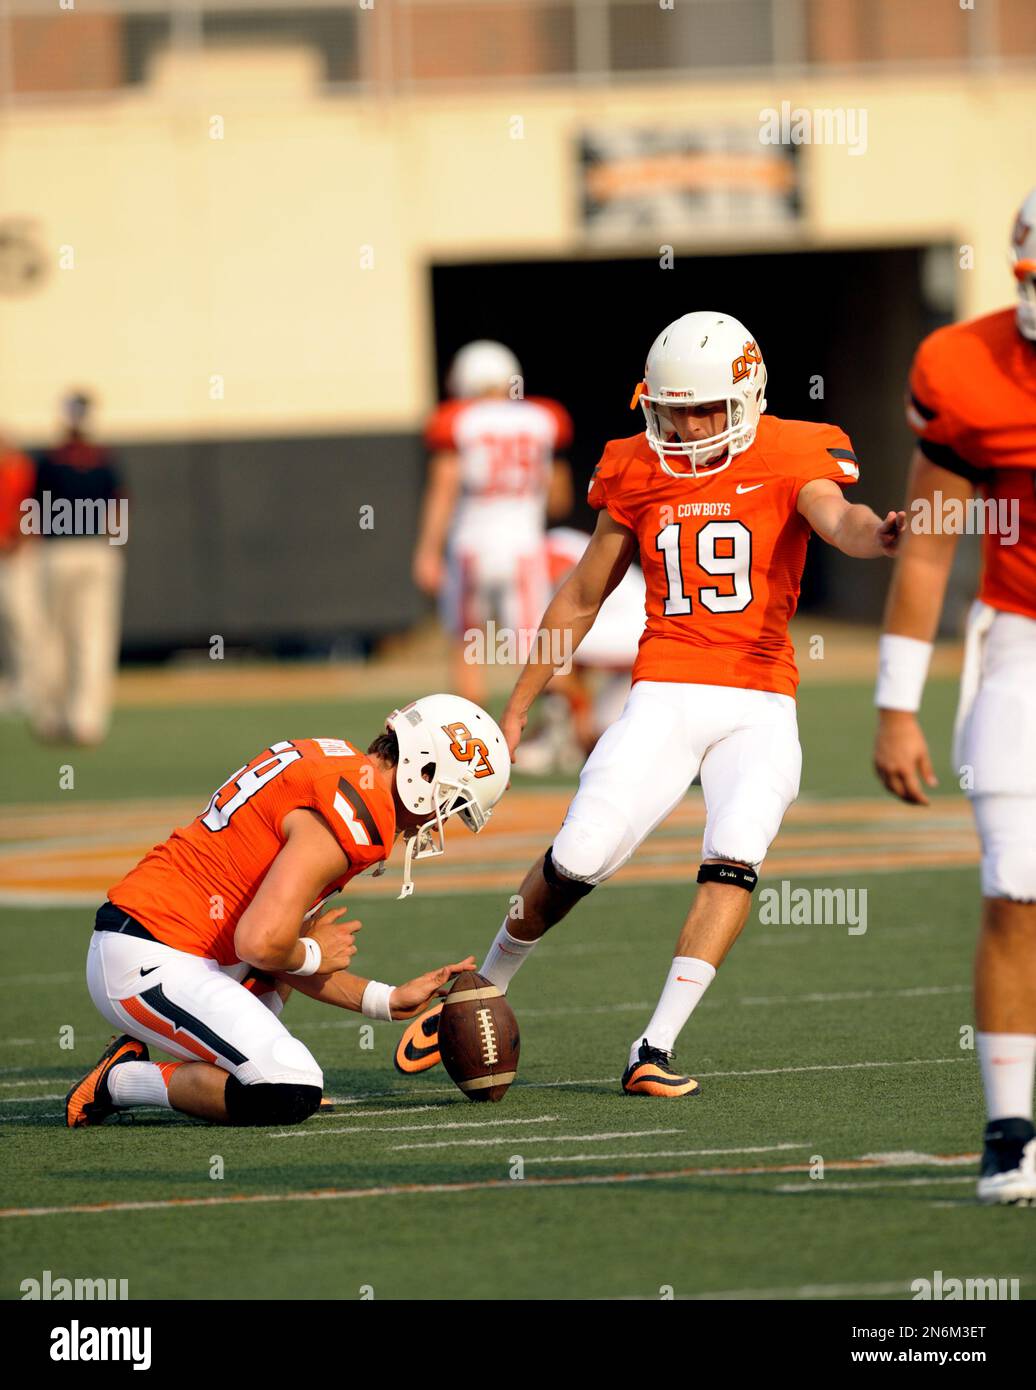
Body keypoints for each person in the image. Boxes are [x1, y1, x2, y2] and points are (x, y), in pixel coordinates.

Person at [395, 310, 904, 1095]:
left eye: (704, 408)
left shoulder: (792, 449)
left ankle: (653, 1048)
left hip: (760, 698)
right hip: (665, 688)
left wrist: (881, 536)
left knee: (735, 854)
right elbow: (582, 594)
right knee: (580, 854)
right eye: (673, 409)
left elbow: (840, 519)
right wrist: (520, 702)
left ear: (747, 396)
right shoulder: (635, 465)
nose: (688, 425)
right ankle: (483, 981)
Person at [66, 695, 509, 1128]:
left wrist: (386, 999)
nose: (438, 821)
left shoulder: (335, 759)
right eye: (448, 804)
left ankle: (246, 1066)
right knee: (288, 1090)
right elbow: (261, 942)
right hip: (149, 955)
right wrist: (311, 951)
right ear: (425, 771)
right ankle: (119, 1081)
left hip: (172, 941)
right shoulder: (361, 809)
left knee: (291, 945)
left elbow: (275, 946)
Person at [873, 190, 1036, 1206]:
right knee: (1015, 889)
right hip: (1021, 645)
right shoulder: (966, 369)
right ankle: (1010, 1132)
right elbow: (930, 539)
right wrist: (896, 700)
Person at [413, 340, 573, 705]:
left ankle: (471, 740)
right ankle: (563, 724)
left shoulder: (461, 421)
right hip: (523, 548)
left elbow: (443, 489)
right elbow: (559, 500)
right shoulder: (541, 420)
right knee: (540, 650)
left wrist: (427, 552)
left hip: (472, 548)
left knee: (469, 648)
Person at [32, 391, 125, 745]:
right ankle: (84, 721)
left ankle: (55, 717)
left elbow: (34, 509)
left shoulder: (51, 460)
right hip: (94, 550)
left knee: (58, 636)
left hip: (60, 552)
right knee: (89, 637)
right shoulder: (101, 460)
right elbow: (120, 507)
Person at [0, 429, 38, 715]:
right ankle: (16, 683)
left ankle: (31, 685)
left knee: (22, 619)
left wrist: (19, 539)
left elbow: (30, 510)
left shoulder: (22, 469)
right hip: (6, 553)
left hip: (19, 556)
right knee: (9, 621)